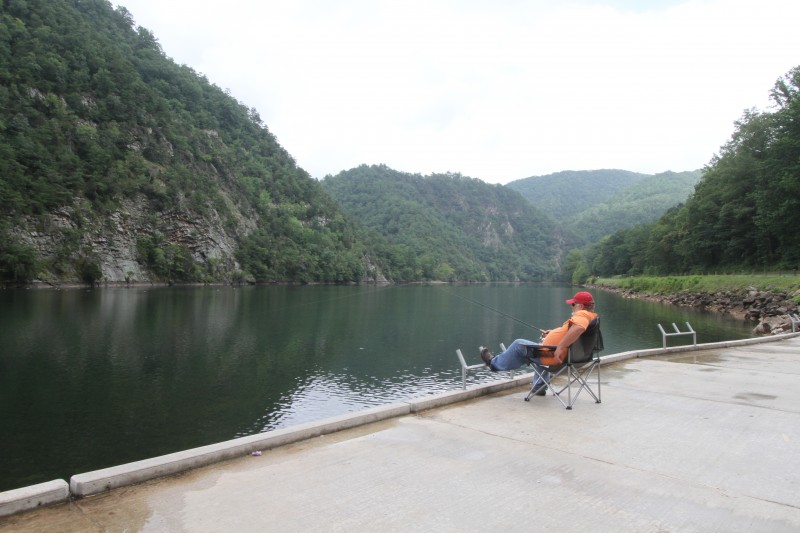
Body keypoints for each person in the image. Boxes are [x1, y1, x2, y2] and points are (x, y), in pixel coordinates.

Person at [479, 291, 598, 396]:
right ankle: (539, 386)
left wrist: (560, 346)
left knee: (519, 345)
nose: (571, 307)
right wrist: (553, 333)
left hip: (556, 356)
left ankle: (493, 363)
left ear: (581, 306)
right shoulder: (592, 317)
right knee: (536, 349)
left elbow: (578, 328)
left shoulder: (582, 315)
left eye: (573, 304)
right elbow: (572, 331)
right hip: (576, 358)